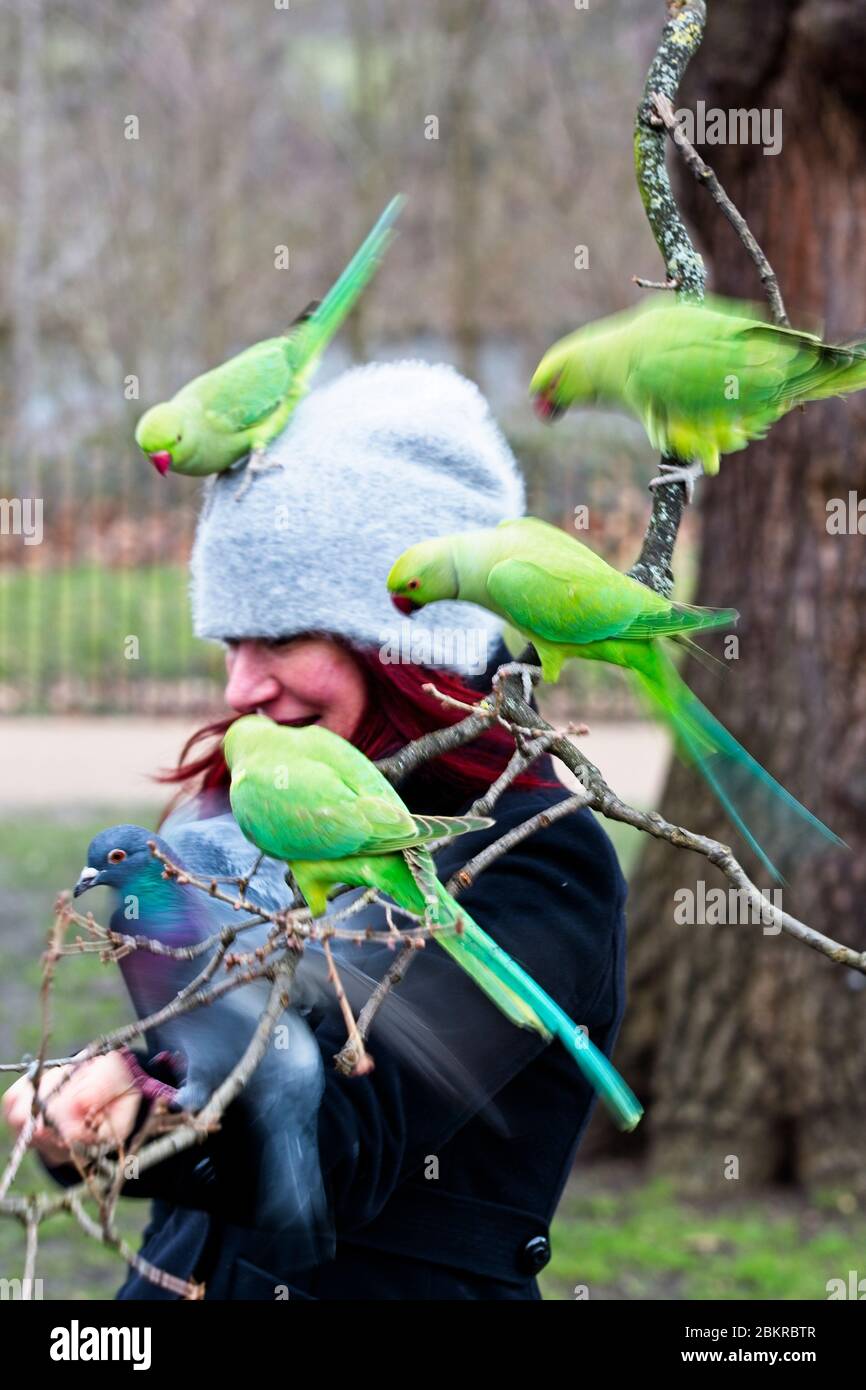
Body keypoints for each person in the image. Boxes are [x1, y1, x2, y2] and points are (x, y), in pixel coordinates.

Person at [3, 362, 630, 1300]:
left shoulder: (532, 859)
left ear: (410, 650)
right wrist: (102, 1102)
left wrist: (142, 1115)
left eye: (281, 637)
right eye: (230, 642)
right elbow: (206, 1061)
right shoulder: (242, 814)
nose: (238, 689)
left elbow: (341, 1135)